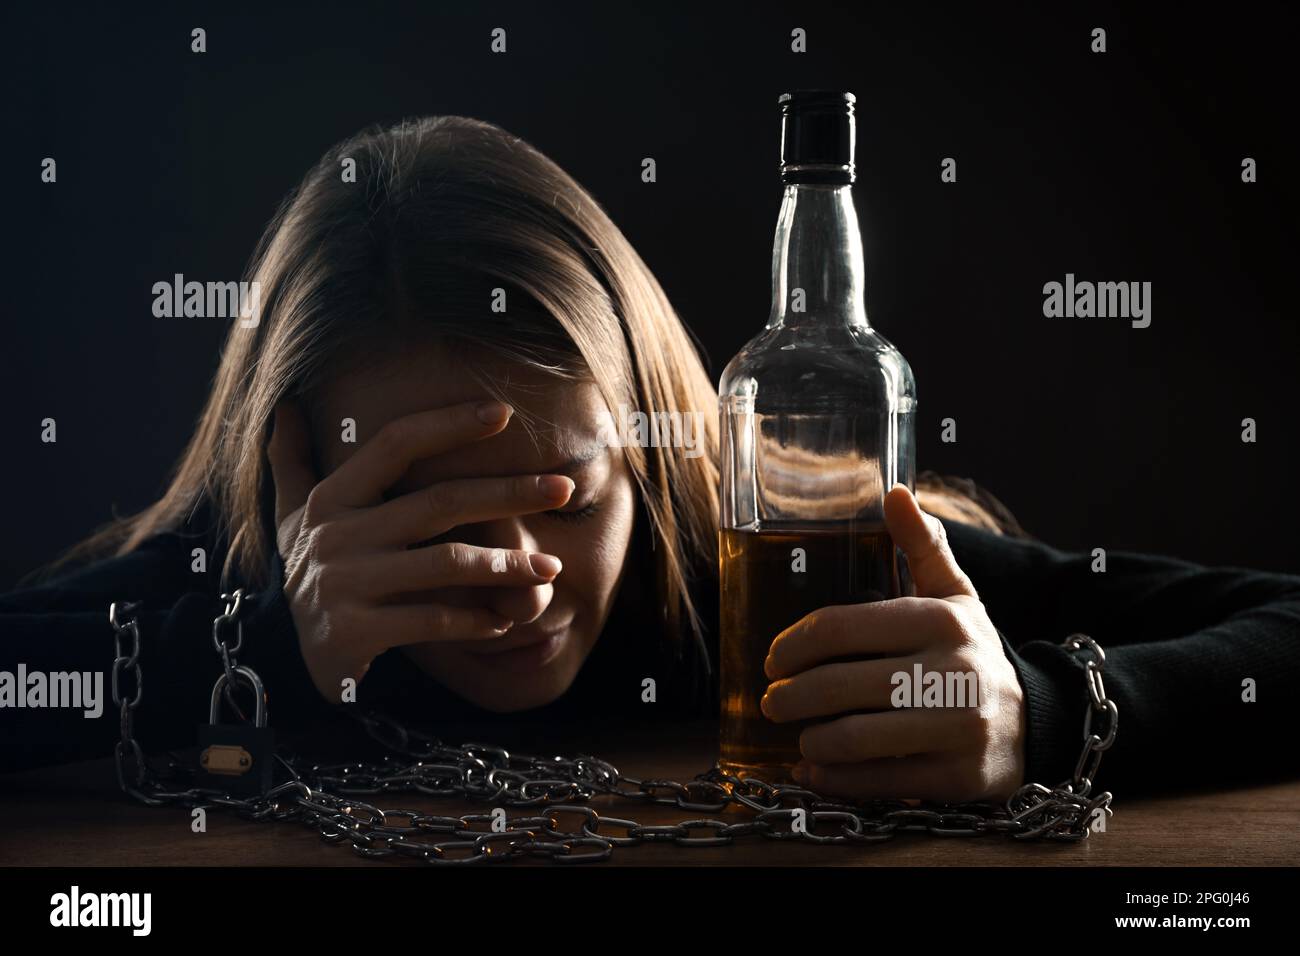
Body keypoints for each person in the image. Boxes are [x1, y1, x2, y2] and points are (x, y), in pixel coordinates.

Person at [3, 117, 1298, 804]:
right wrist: (272, 644)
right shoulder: (239, 583)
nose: (515, 577)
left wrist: (1040, 715)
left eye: (567, 493)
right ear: (291, 470)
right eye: (419, 508)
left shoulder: (786, 562)